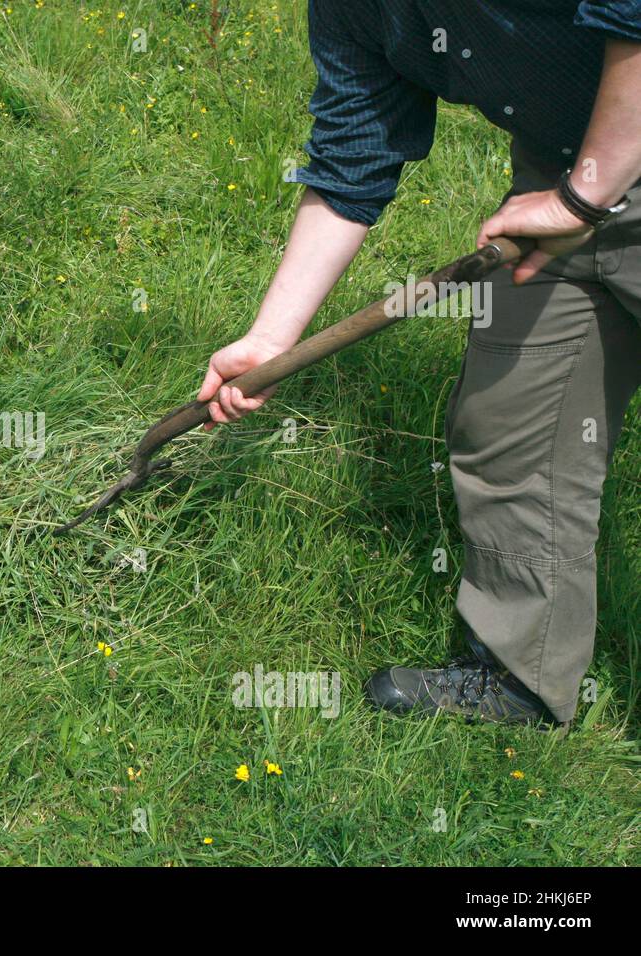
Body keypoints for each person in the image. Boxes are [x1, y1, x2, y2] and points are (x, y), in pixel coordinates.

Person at [199, 2, 641, 725]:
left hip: (583, 187)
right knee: (509, 424)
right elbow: (353, 157)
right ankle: (522, 673)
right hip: (563, 187)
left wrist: (582, 198)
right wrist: (270, 342)